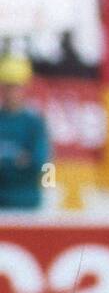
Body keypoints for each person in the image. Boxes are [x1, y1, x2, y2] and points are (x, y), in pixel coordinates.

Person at [0, 55, 51, 210]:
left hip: (28, 204)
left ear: (25, 88)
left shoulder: (35, 123)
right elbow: (25, 161)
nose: (12, 92)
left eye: (16, 86)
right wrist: (18, 159)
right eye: (8, 86)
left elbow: (41, 163)